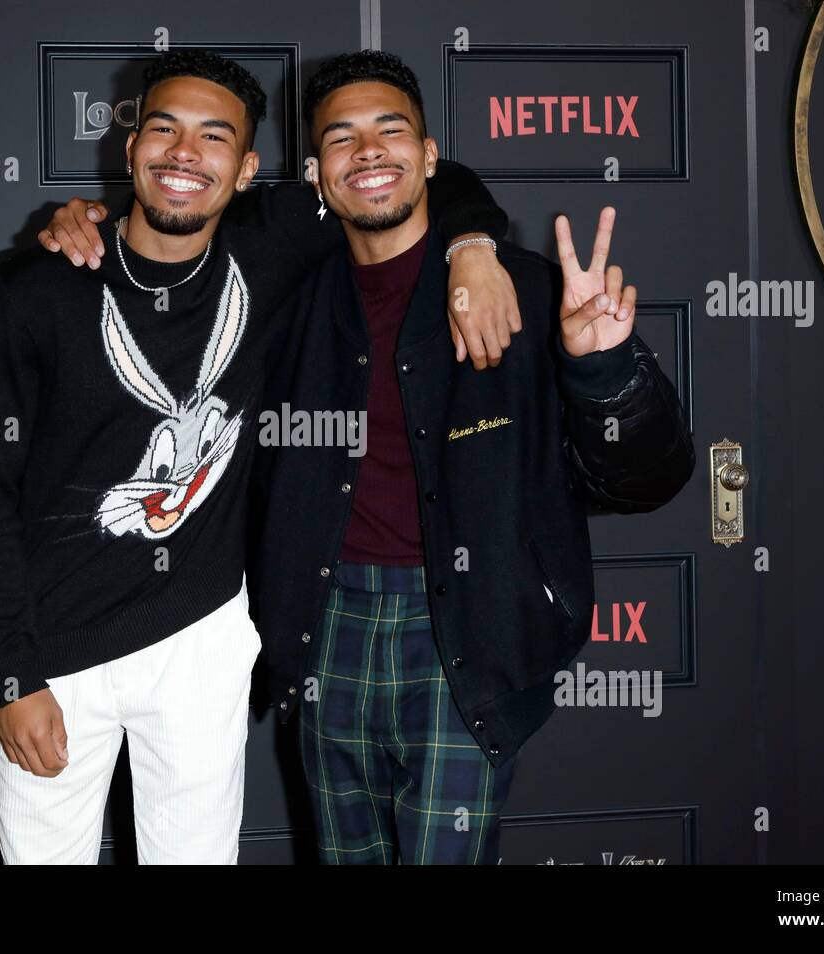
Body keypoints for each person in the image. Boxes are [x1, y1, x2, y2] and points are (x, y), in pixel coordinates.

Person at [0, 48, 519, 864]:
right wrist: (13, 675)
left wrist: (472, 244)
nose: (185, 154)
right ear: (130, 147)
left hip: (201, 638)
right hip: (54, 654)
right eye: (165, 130)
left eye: (214, 138)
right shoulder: (33, 289)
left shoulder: (277, 239)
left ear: (249, 168)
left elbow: (410, 175)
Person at [245, 50, 696, 863]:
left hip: (465, 627)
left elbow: (648, 478)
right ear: (315, 174)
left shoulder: (523, 291)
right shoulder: (289, 298)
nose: (369, 152)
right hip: (327, 627)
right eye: (342, 139)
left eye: (391, 131)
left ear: (429, 155)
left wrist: (602, 369)